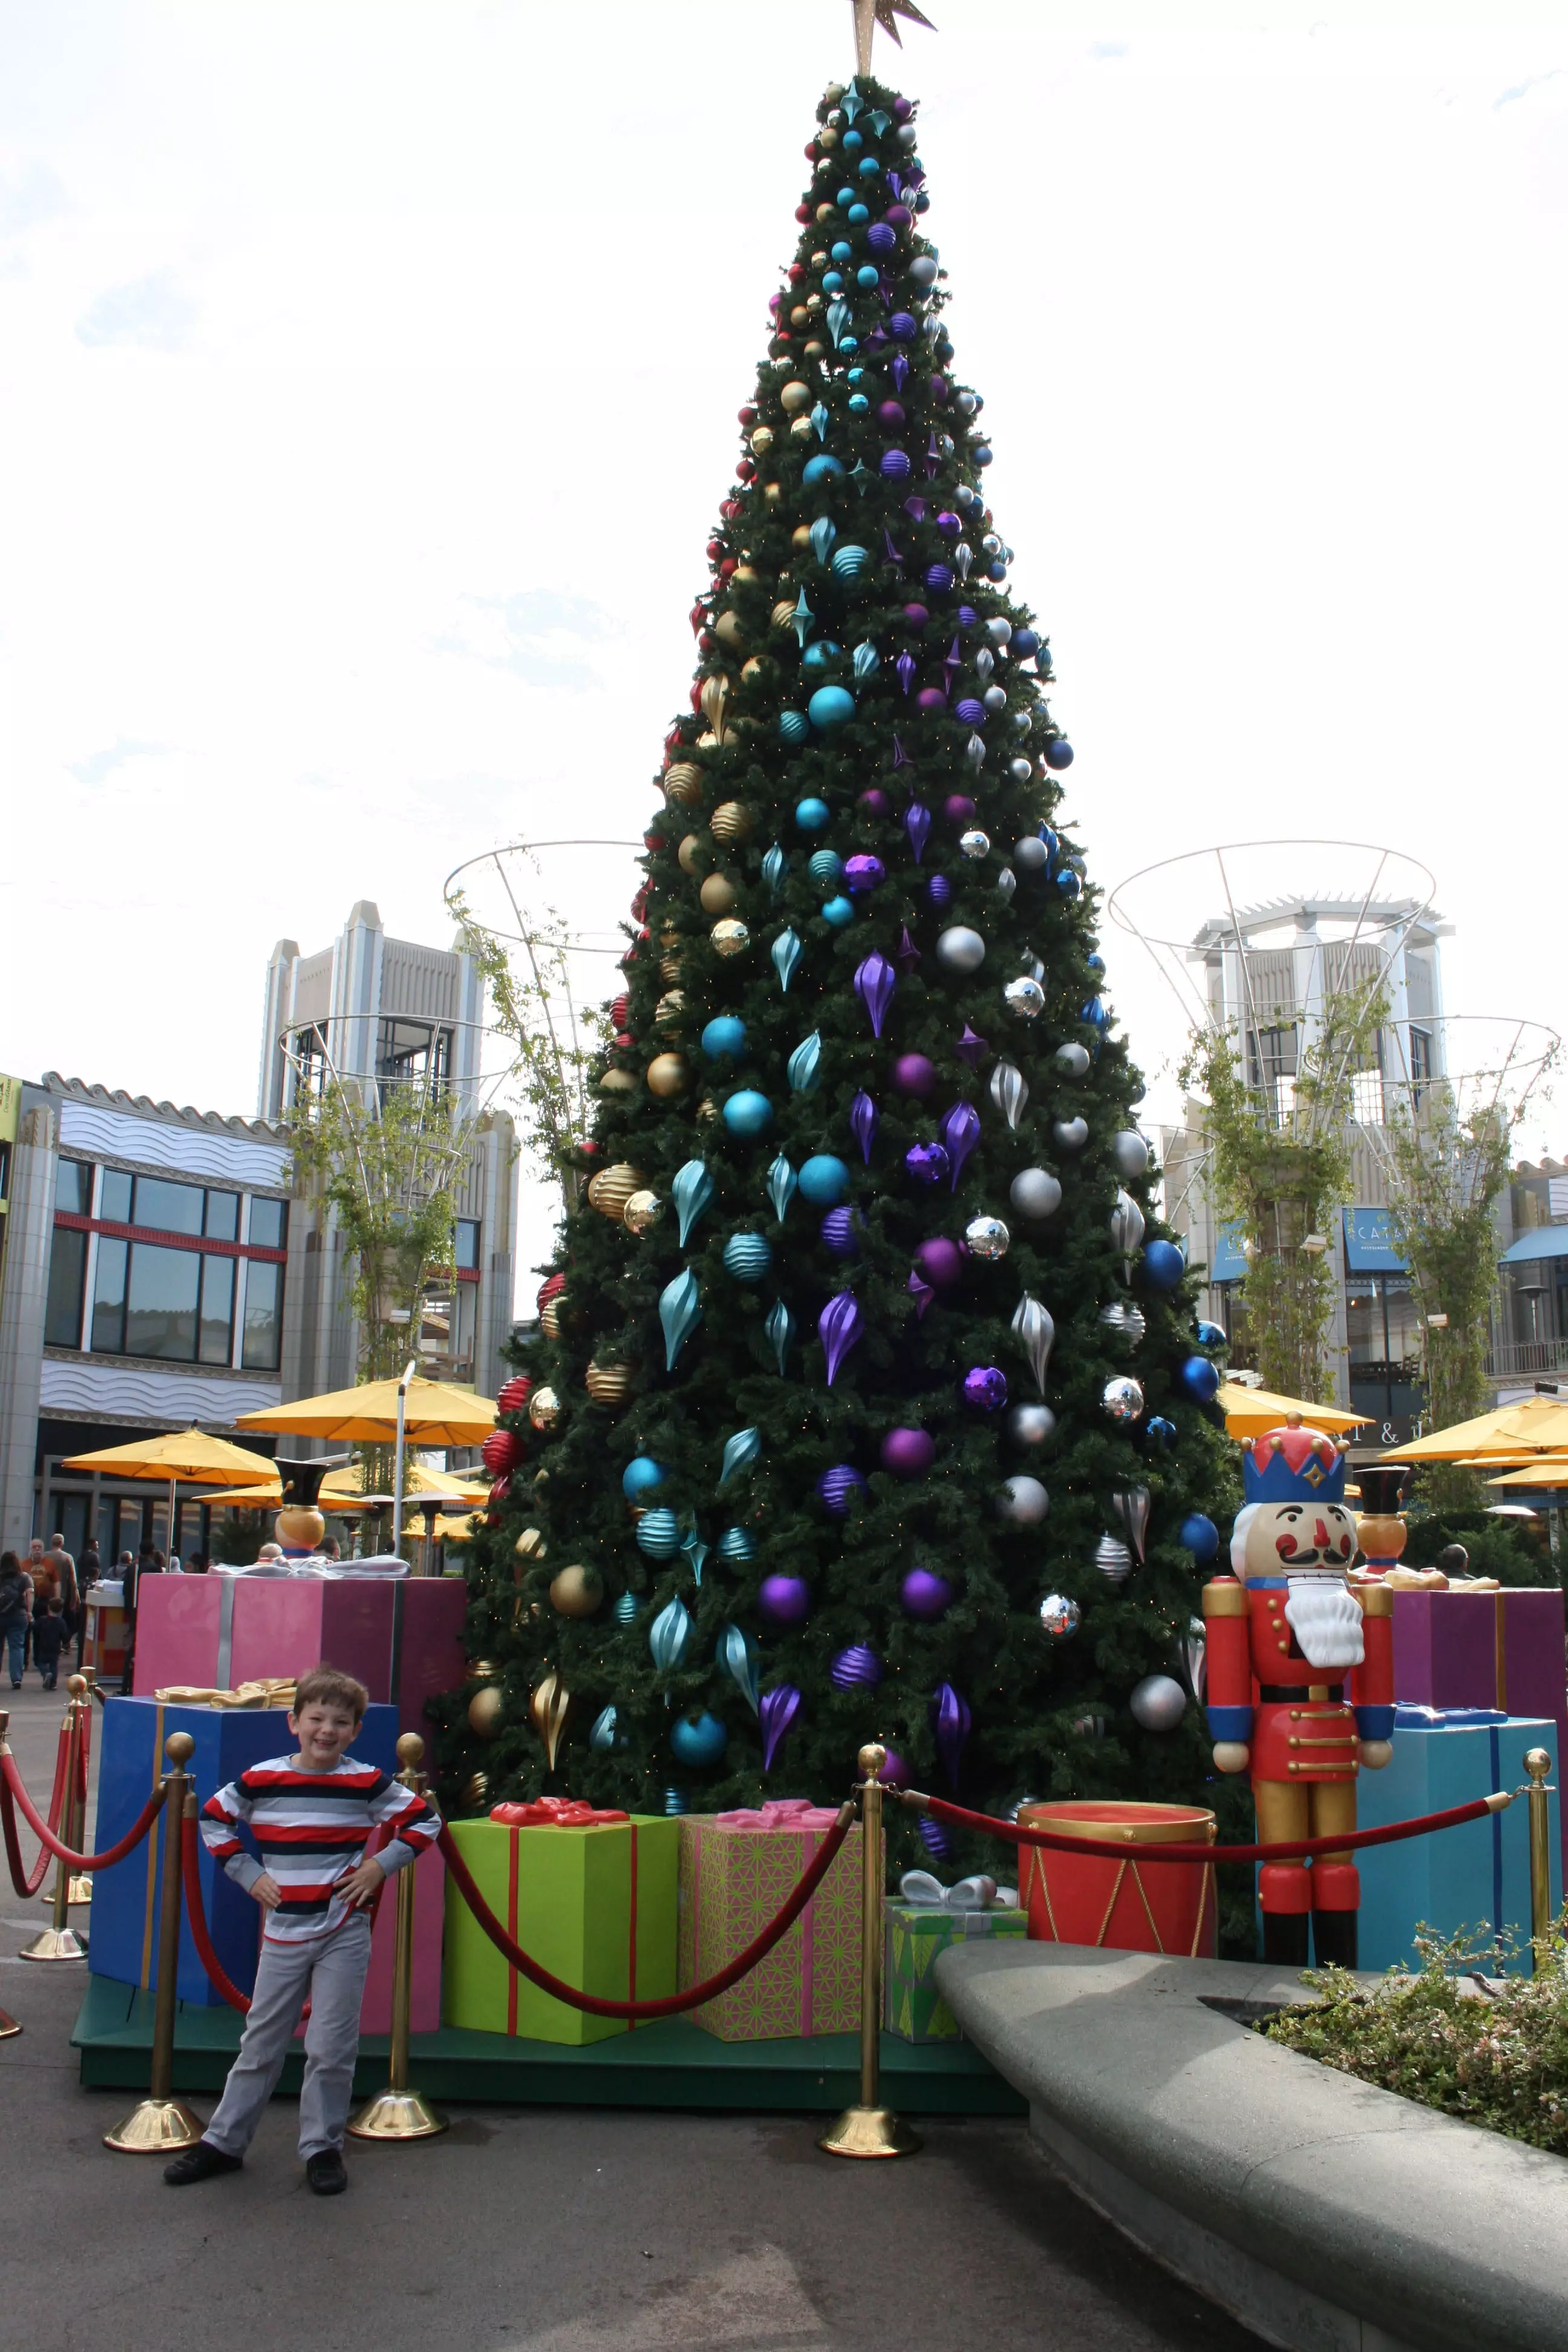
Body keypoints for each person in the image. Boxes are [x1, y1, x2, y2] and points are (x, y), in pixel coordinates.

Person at [164, 1665, 440, 2195]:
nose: (327, 1730)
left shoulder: (365, 1781)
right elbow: (215, 1818)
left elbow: (424, 1820)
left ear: (356, 1731)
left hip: (343, 1931)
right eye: (317, 1718)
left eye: (341, 1722)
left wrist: (379, 1866)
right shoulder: (263, 1778)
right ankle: (224, 2141)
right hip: (285, 1933)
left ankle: (322, 2147)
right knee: (262, 2041)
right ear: (294, 1722)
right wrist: (251, 1875)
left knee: (331, 2046)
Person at [0, 1552, 33, 1690]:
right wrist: (29, 1612)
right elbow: (30, 1593)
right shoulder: (24, 1577)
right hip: (18, 1615)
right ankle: (16, 1679)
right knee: (17, 1646)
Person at [32, 1596, 67, 1691]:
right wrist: (64, 1643)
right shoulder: (61, 1622)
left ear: (49, 1607)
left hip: (43, 1645)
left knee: (41, 1662)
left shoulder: (42, 1620)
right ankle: (53, 1684)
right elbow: (65, 1635)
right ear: (61, 1610)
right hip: (55, 1646)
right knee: (54, 1664)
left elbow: (35, 1629)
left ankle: (46, 1672)